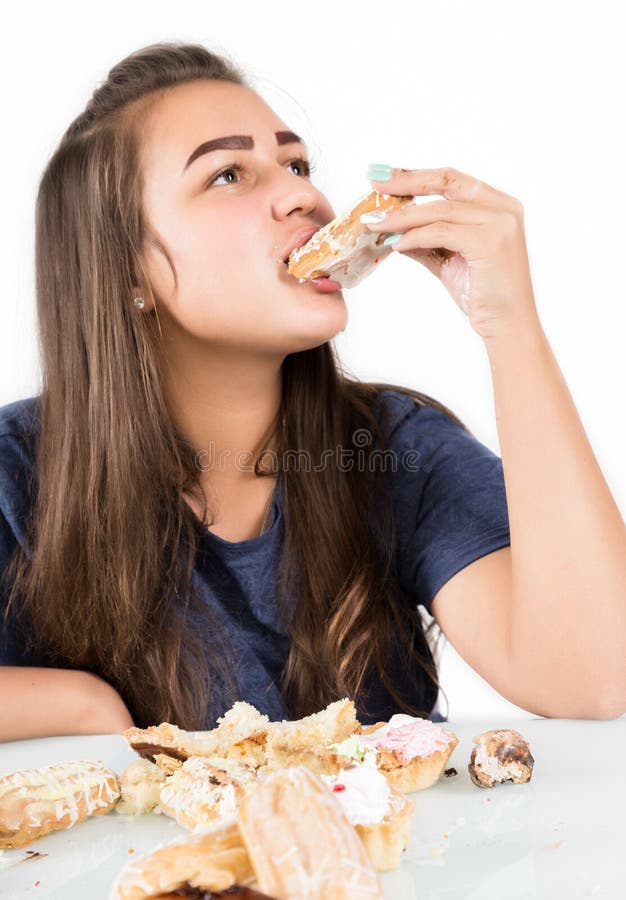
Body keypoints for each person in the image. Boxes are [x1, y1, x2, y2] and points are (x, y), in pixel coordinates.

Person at [1, 43, 624, 743]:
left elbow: (593, 677)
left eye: (297, 164)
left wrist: (510, 327)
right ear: (126, 273)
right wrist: (87, 711)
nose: (306, 195)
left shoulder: (391, 450)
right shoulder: (14, 474)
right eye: (228, 174)